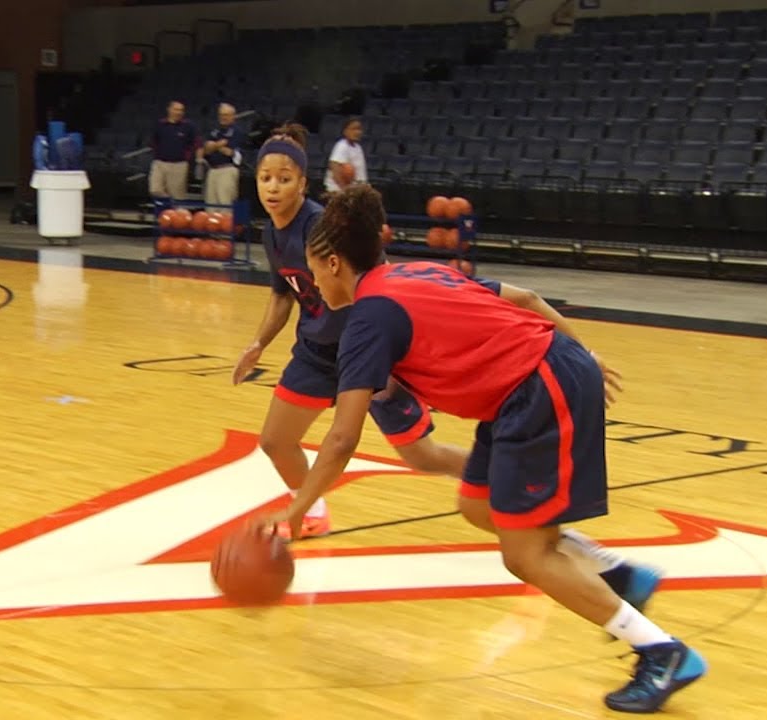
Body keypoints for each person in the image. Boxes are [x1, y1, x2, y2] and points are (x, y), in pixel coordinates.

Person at [263, 184, 707, 714]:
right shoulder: (412, 273)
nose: (311, 282)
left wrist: (295, 512)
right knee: (477, 503)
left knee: (526, 555)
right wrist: (584, 351)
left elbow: (341, 438)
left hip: (537, 387)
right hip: (533, 383)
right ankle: (617, 575)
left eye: (313, 270)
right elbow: (527, 299)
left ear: (333, 262)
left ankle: (662, 651)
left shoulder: (367, 318)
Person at [232, 123, 468, 540]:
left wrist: (392, 349)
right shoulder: (271, 232)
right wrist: (258, 343)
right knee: (275, 440)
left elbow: (380, 273)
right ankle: (312, 512)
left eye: (284, 179)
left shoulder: (325, 225)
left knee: (423, 456)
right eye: (265, 178)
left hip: (366, 351)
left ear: (303, 183)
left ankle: (500, 473)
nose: (273, 188)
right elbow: (282, 294)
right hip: (317, 352)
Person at [148, 100, 198, 202]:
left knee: (177, 196)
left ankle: (177, 214)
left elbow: (197, 143)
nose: (179, 112)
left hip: (179, 165)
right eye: (176, 109)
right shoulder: (160, 124)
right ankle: (167, 204)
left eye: (181, 110)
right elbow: (153, 142)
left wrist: (197, 159)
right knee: (155, 189)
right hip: (160, 163)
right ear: (169, 110)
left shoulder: (188, 126)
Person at [199, 102, 240, 208]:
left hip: (227, 170)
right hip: (212, 170)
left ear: (233, 116)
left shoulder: (237, 132)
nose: (223, 118)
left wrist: (214, 146)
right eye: (221, 115)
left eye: (226, 115)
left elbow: (230, 152)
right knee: (210, 204)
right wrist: (219, 145)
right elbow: (206, 150)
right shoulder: (214, 132)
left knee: (225, 203)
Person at [323, 117, 366, 194]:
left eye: (359, 129)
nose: (357, 132)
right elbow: (334, 167)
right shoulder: (342, 145)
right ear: (345, 131)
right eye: (354, 129)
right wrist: (345, 191)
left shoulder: (358, 148)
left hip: (354, 192)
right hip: (337, 192)